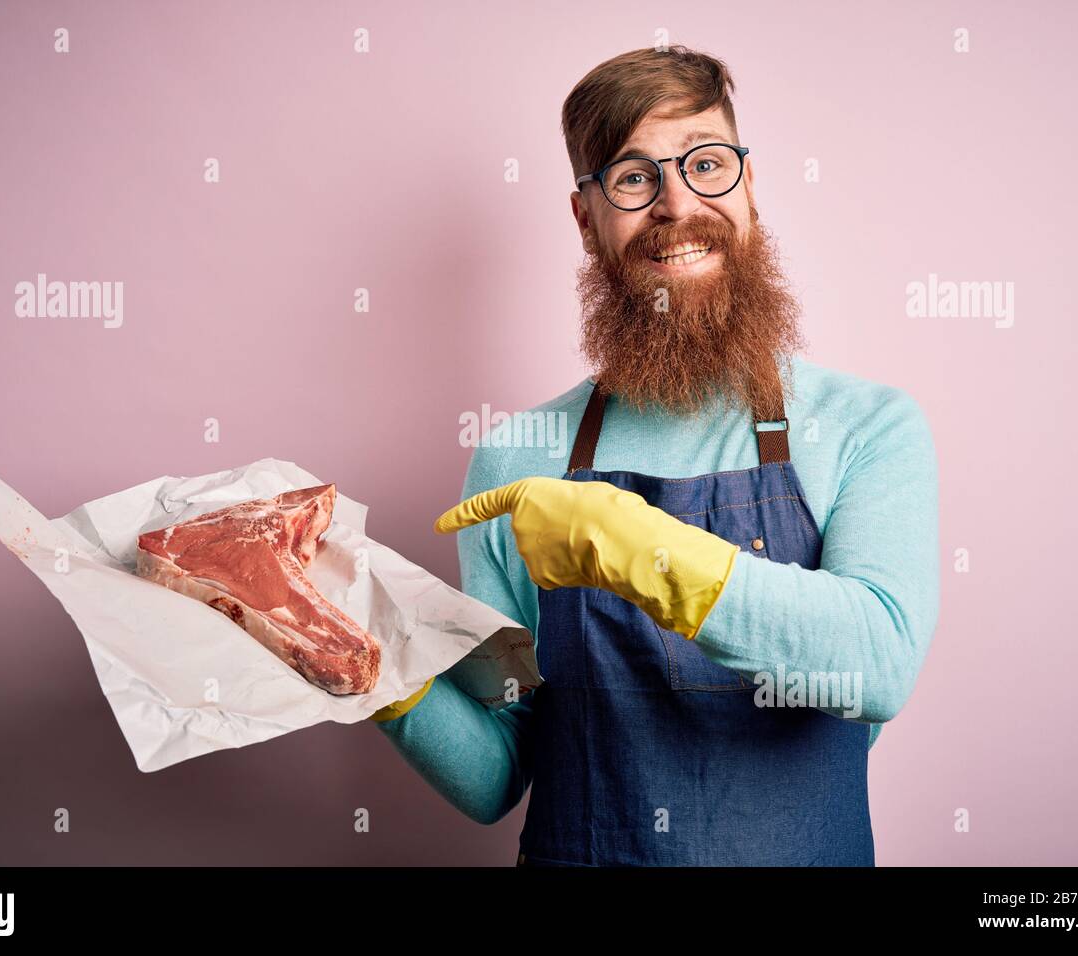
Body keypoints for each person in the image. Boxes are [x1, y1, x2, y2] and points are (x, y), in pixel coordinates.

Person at [369, 45, 940, 867]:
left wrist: (637, 547)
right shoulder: (513, 463)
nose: (678, 205)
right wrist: (365, 660)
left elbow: (877, 664)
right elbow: (500, 770)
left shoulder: (867, 426)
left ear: (749, 185)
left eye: (707, 164)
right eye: (634, 178)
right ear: (585, 217)